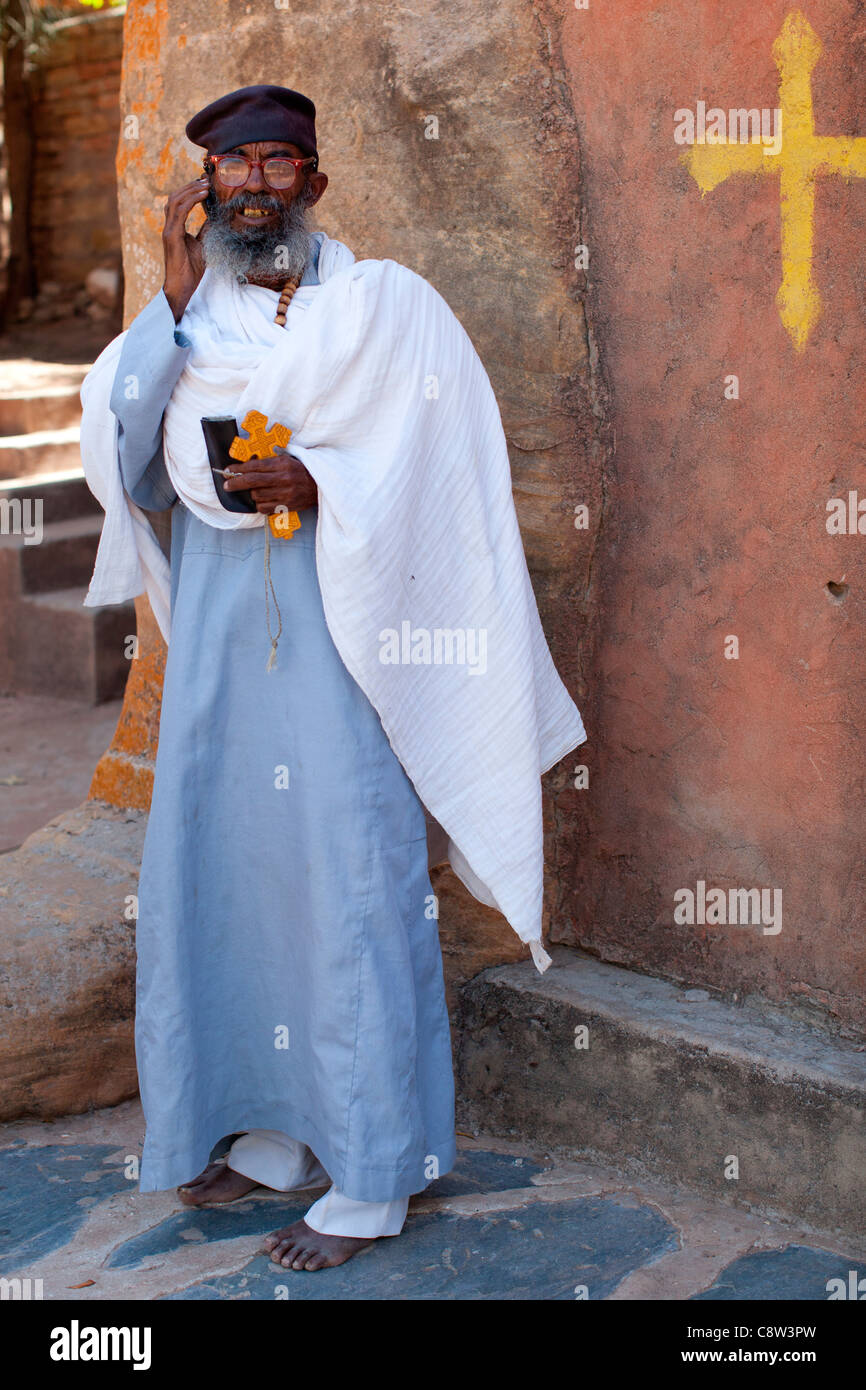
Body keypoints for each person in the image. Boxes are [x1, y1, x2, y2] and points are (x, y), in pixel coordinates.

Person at [79, 84, 587, 1273]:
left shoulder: (386, 308)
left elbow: (442, 458)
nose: (253, 183)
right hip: (217, 645)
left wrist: (326, 483)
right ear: (202, 191)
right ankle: (272, 1130)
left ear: (315, 184)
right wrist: (168, 283)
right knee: (227, 871)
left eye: (276, 163)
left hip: (347, 643)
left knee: (351, 881)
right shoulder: (179, 321)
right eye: (231, 166)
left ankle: (370, 1172)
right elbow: (135, 468)